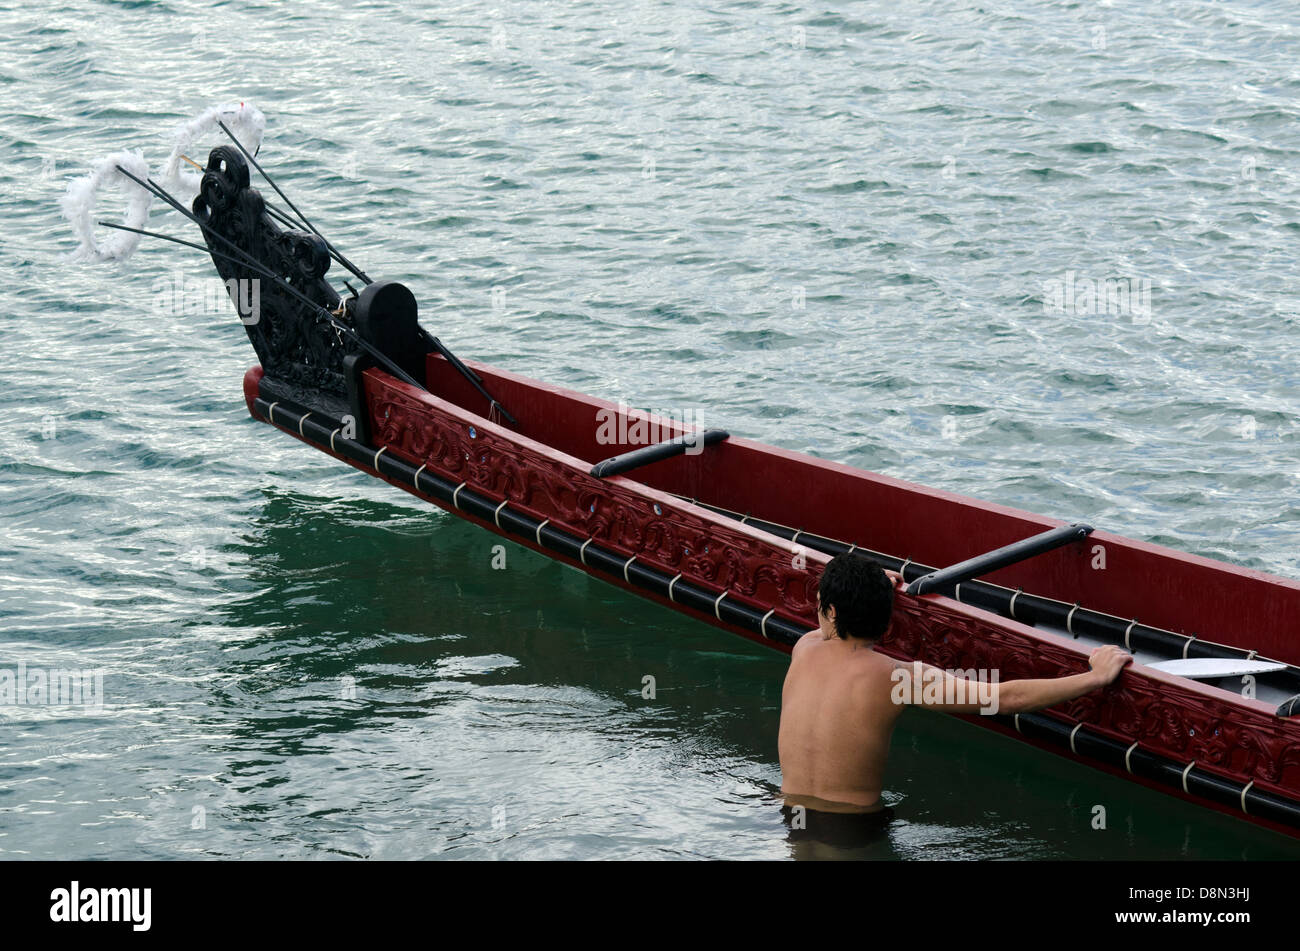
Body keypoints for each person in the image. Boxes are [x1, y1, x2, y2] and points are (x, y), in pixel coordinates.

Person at [777, 552, 1131, 842]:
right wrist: (1095, 676)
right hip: (851, 828)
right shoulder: (898, 678)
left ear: (833, 611)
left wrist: (864, 592)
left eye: (820, 602)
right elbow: (1005, 698)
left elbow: (835, 631)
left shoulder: (804, 648)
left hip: (790, 815)